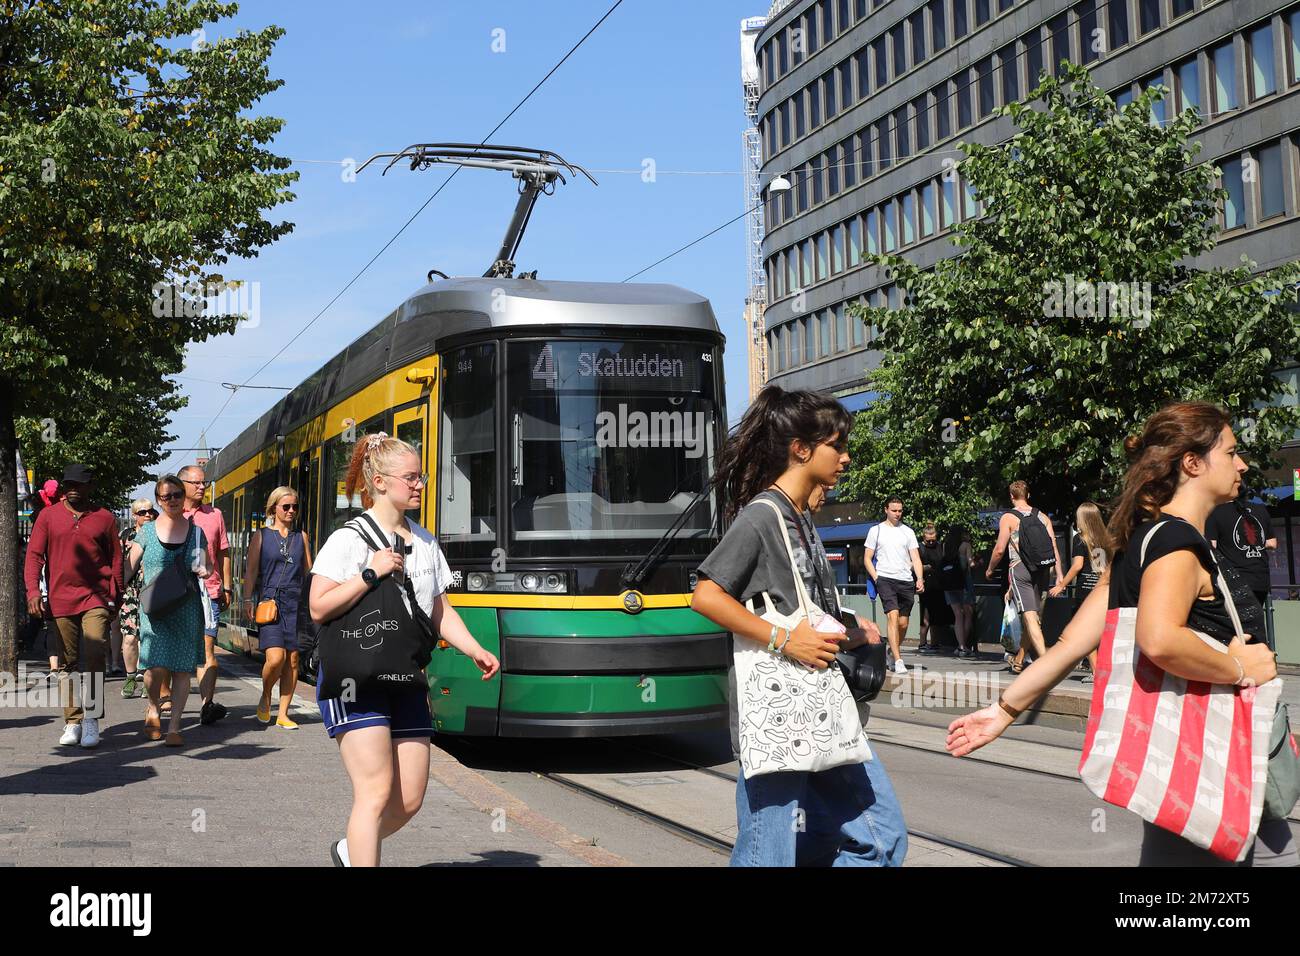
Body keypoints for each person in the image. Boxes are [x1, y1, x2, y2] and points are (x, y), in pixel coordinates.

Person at [948, 402, 1292, 867]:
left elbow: (1071, 644)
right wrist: (1239, 667)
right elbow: (1161, 639)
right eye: (1231, 453)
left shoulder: (1138, 544)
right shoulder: (1177, 545)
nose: (1242, 464)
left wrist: (1004, 709)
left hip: (1177, 764)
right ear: (1192, 463)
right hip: (1213, 766)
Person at [691, 384, 906, 867]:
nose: (846, 457)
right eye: (838, 445)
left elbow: (796, 605)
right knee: (769, 853)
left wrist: (850, 632)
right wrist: (785, 640)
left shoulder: (801, 518)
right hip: (777, 712)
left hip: (821, 710)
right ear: (801, 449)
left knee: (881, 839)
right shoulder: (762, 517)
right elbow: (705, 595)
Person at [310, 433, 499, 867]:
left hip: (405, 675)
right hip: (355, 677)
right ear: (379, 481)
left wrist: (474, 648)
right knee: (374, 792)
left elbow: (437, 608)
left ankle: (349, 850)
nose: (419, 485)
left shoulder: (427, 542)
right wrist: (369, 574)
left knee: (409, 799)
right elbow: (318, 606)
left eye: (422, 477)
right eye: (410, 477)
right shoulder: (349, 539)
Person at [22, 464, 122, 749]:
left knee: (93, 652)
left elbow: (115, 558)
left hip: (97, 597)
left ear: (91, 486)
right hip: (60, 598)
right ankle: (73, 720)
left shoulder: (104, 518)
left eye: (80, 484)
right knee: (66, 662)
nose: (73, 489)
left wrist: (117, 593)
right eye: (69, 485)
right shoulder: (48, 517)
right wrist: (33, 592)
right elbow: (34, 556)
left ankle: (91, 718)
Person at [125, 476, 209, 747]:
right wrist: (112, 592)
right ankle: (152, 706)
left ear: (183, 495)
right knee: (153, 666)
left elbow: (204, 563)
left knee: (182, 669)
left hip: (186, 607)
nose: (172, 500)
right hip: (154, 607)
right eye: (165, 496)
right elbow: (129, 566)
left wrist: (205, 569)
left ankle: (174, 726)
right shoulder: (147, 532)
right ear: (159, 501)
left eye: (176, 494)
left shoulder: (196, 532)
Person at [243, 485, 313, 730]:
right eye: (286, 506)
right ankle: (265, 695)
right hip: (270, 602)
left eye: (295, 506)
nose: (291, 510)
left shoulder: (300, 537)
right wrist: (247, 599)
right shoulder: (261, 535)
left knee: (293, 660)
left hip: (296, 604)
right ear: (274, 509)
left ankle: (283, 713)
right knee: (276, 658)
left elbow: (309, 572)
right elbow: (251, 571)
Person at [984, 481, 1062, 674]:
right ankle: (1019, 660)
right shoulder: (1042, 516)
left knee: (1029, 616)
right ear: (1028, 494)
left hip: (1021, 569)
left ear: (1011, 496)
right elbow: (1053, 547)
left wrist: (990, 569)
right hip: (1044, 569)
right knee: (1034, 617)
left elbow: (1000, 549)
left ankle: (1046, 665)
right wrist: (1059, 573)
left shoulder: (1008, 517)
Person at [179, 464, 232, 726]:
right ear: (182, 485)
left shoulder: (215, 515)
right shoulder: (171, 515)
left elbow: (223, 552)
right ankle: (164, 698)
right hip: (176, 594)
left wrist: (227, 585)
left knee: (207, 648)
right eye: (196, 483)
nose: (202, 487)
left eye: (204, 482)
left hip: (208, 590)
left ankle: (206, 705)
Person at [1049, 502, 1113, 682]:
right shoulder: (1104, 539)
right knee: (1101, 632)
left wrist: (1061, 585)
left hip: (1085, 590)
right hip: (1101, 588)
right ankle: (1104, 670)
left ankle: (1096, 672)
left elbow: (1077, 566)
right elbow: (1104, 567)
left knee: (1086, 633)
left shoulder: (1080, 539)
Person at [864, 496, 924, 674]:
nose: (897, 514)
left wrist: (919, 578)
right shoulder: (876, 531)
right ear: (886, 510)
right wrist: (877, 578)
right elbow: (867, 558)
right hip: (885, 579)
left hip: (906, 580)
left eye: (900, 510)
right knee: (893, 616)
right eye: (894, 510)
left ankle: (892, 651)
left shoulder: (908, 532)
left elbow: (916, 558)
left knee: (903, 623)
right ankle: (898, 660)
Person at [1207, 489, 1277, 634]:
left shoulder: (1216, 512)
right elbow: (1272, 543)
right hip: (1261, 578)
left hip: (1234, 581)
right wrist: (1254, 545)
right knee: (1255, 625)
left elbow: (1211, 547)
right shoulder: (1261, 510)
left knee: (1237, 630)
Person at [118, 499, 156, 698]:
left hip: (155, 592)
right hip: (131, 593)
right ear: (135, 516)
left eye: (151, 511)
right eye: (143, 512)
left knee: (151, 637)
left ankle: (147, 677)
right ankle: (131, 677)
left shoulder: (160, 532)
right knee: (131, 638)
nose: (148, 515)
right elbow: (120, 565)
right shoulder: (126, 536)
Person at [939, 528, 977, 658]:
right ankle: (964, 645)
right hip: (964, 582)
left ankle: (960, 646)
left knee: (957, 615)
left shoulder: (946, 545)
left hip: (949, 583)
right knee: (968, 613)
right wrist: (978, 562)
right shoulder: (965, 545)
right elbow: (970, 564)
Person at [916, 523, 946, 654]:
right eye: (929, 540)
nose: (932, 542)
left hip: (939, 585)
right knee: (925, 615)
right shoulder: (919, 548)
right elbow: (912, 565)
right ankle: (922, 642)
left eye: (934, 539)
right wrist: (923, 568)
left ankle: (935, 643)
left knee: (937, 616)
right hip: (926, 586)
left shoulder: (940, 546)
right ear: (924, 537)